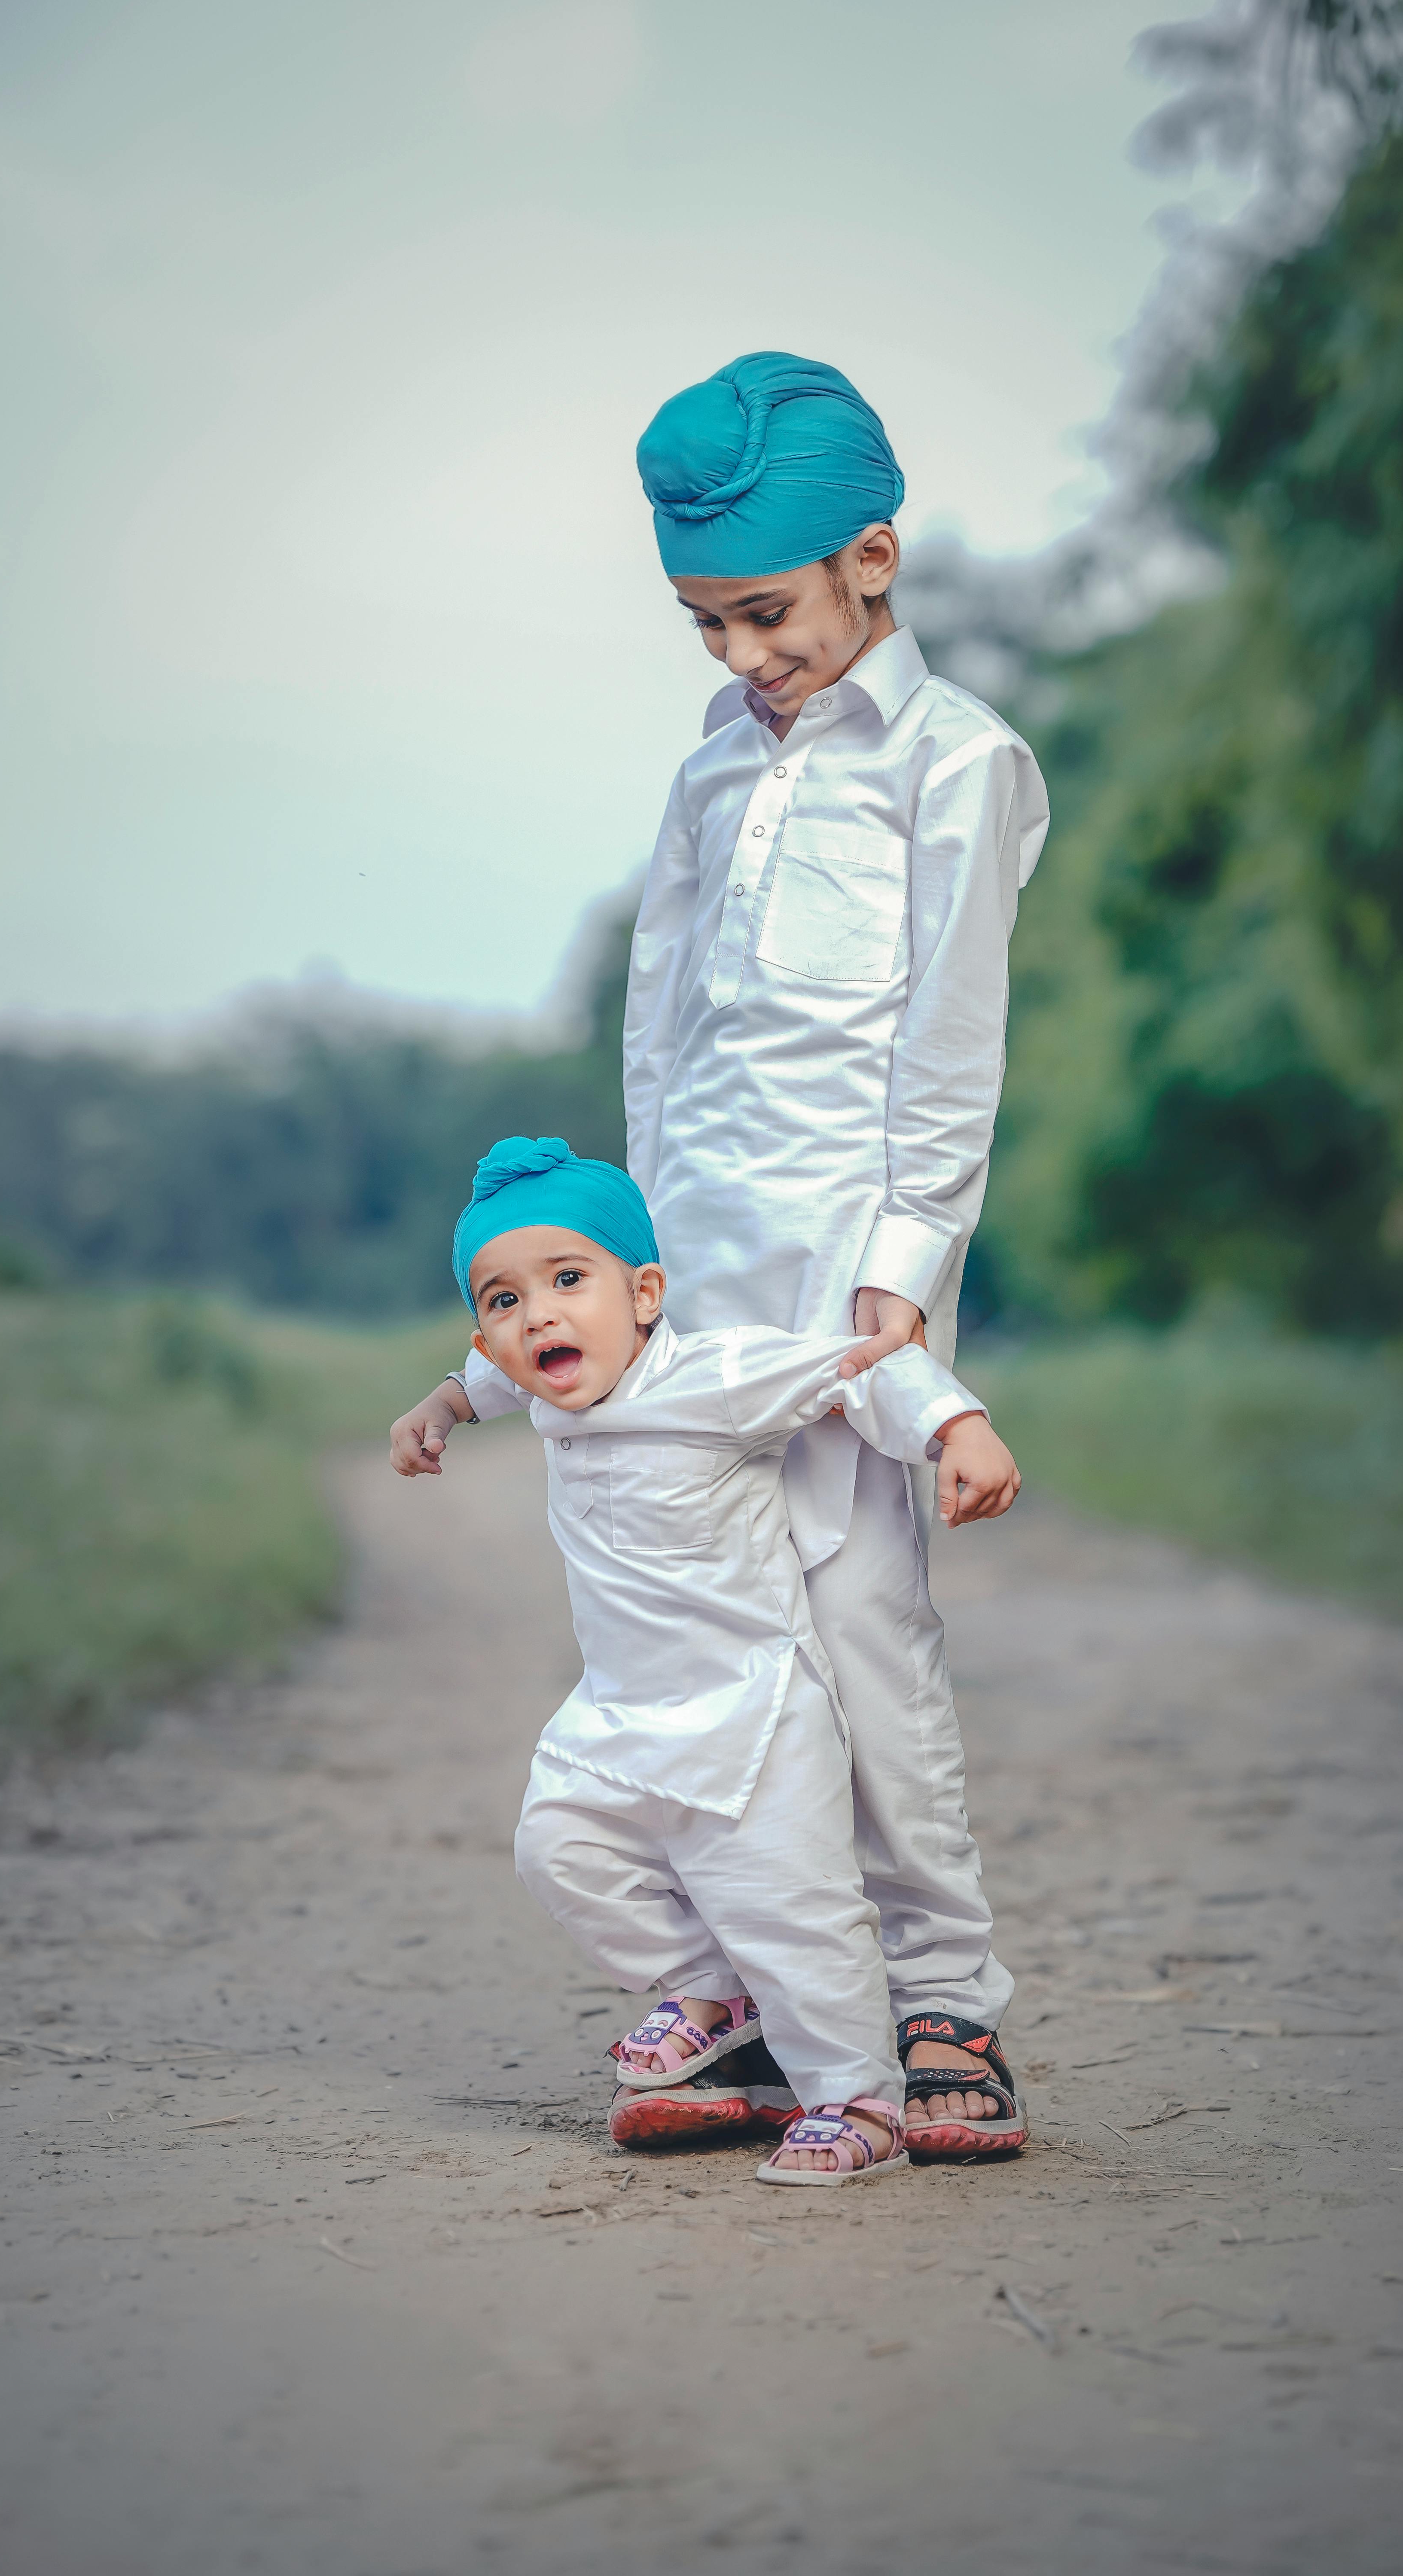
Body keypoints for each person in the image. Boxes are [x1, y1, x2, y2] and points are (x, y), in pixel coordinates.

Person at [394, 351, 1045, 2154]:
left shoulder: (961, 764)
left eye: (764, 614)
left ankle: (944, 2008)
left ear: (874, 558)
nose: (743, 657)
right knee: (695, 1651)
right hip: (683, 1282)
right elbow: (659, 1034)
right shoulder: (708, 769)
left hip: (849, 1281)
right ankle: (750, 2000)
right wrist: (623, 1261)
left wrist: (903, 1279)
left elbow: (950, 1052)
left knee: (861, 1634)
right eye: (704, 626)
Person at [393, 1133, 1021, 2183]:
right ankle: (714, 1992)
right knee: (557, 1846)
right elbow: (491, 1382)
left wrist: (957, 1425)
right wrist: (444, 1404)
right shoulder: (546, 1386)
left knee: (795, 1913)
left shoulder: (716, 1377)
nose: (538, 1313)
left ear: (645, 1294)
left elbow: (858, 1371)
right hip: (622, 1715)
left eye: (566, 1279)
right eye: (502, 1301)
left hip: (754, 1714)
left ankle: (856, 2100)